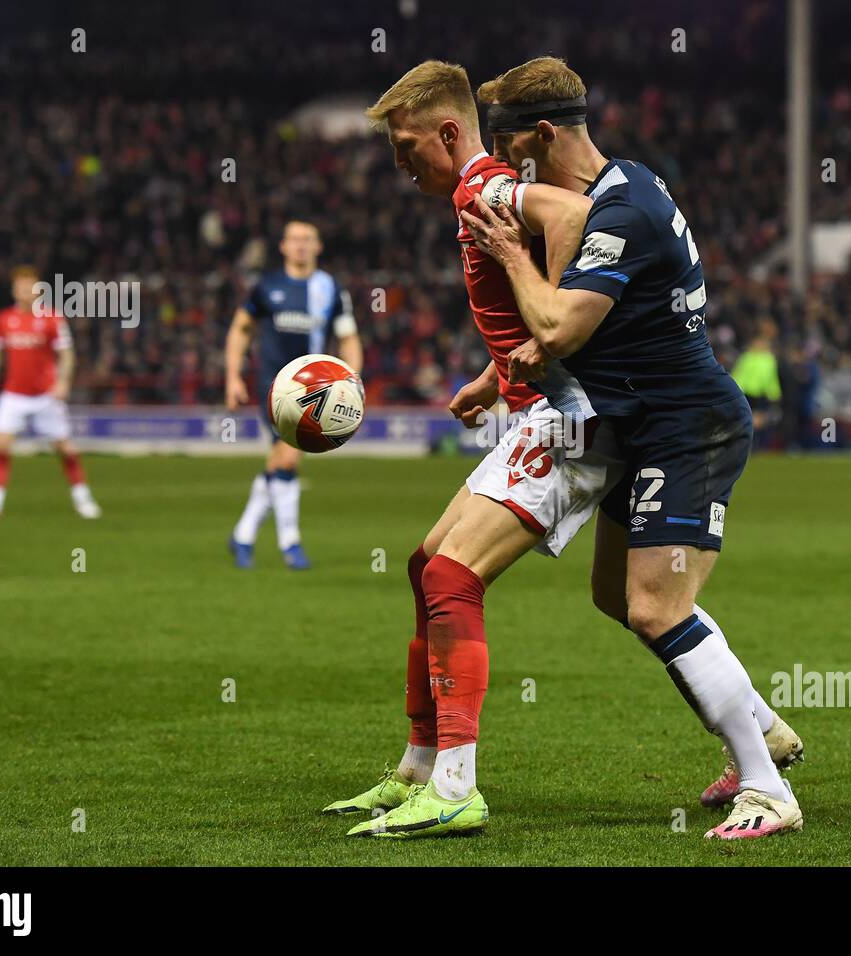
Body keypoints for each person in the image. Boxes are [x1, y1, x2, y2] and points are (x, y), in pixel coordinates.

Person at [461, 57, 803, 840]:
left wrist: (510, 253)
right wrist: (491, 377)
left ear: (544, 134)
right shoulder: (617, 187)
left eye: (510, 142)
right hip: (643, 423)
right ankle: (766, 731)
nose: (505, 159)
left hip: (687, 428)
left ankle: (766, 787)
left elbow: (556, 327)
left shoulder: (622, 214)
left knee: (655, 606)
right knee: (615, 595)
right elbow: (575, 324)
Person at [322, 60, 627, 839]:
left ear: (450, 133)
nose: (400, 164)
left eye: (406, 146)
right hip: (532, 412)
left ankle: (456, 785)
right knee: (428, 566)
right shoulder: (479, 192)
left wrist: (547, 333)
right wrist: (498, 373)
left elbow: (569, 216)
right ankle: (417, 768)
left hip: (572, 419)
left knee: (455, 576)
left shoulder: (480, 186)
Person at [224, 220, 363, 569]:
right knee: (288, 458)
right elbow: (240, 330)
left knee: (279, 460)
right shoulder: (266, 286)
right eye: (294, 239)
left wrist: (353, 382)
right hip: (274, 386)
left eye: (308, 240)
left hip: (316, 388)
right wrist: (232, 375)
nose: (301, 245)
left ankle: (242, 535)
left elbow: (348, 338)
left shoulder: (330, 289)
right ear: (283, 246)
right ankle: (291, 544)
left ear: (318, 247)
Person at [0, 265, 101, 520]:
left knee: (65, 447)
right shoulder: (5, 319)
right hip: (13, 394)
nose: (25, 290)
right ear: (14, 290)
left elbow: (67, 355)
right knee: (1, 445)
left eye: (30, 286)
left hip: (45, 396)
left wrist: (63, 382)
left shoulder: (51, 318)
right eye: (20, 286)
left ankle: (83, 498)